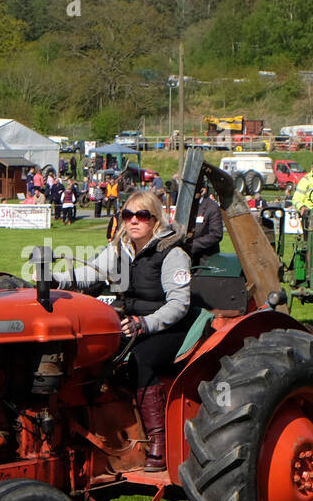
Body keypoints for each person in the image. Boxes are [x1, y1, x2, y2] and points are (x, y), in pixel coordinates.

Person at [54, 191, 193, 472]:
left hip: (169, 327)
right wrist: (50, 277)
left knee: (142, 357)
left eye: (141, 215)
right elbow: (86, 276)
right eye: (127, 215)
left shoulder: (172, 253)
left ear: (155, 219)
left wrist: (145, 324)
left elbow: (179, 304)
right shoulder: (121, 249)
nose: (133, 221)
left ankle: (158, 441)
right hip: (130, 322)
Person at [188, 184, 224, 262]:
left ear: (203, 191)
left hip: (204, 260)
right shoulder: (186, 205)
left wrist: (192, 246)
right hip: (184, 257)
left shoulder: (212, 208)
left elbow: (216, 234)